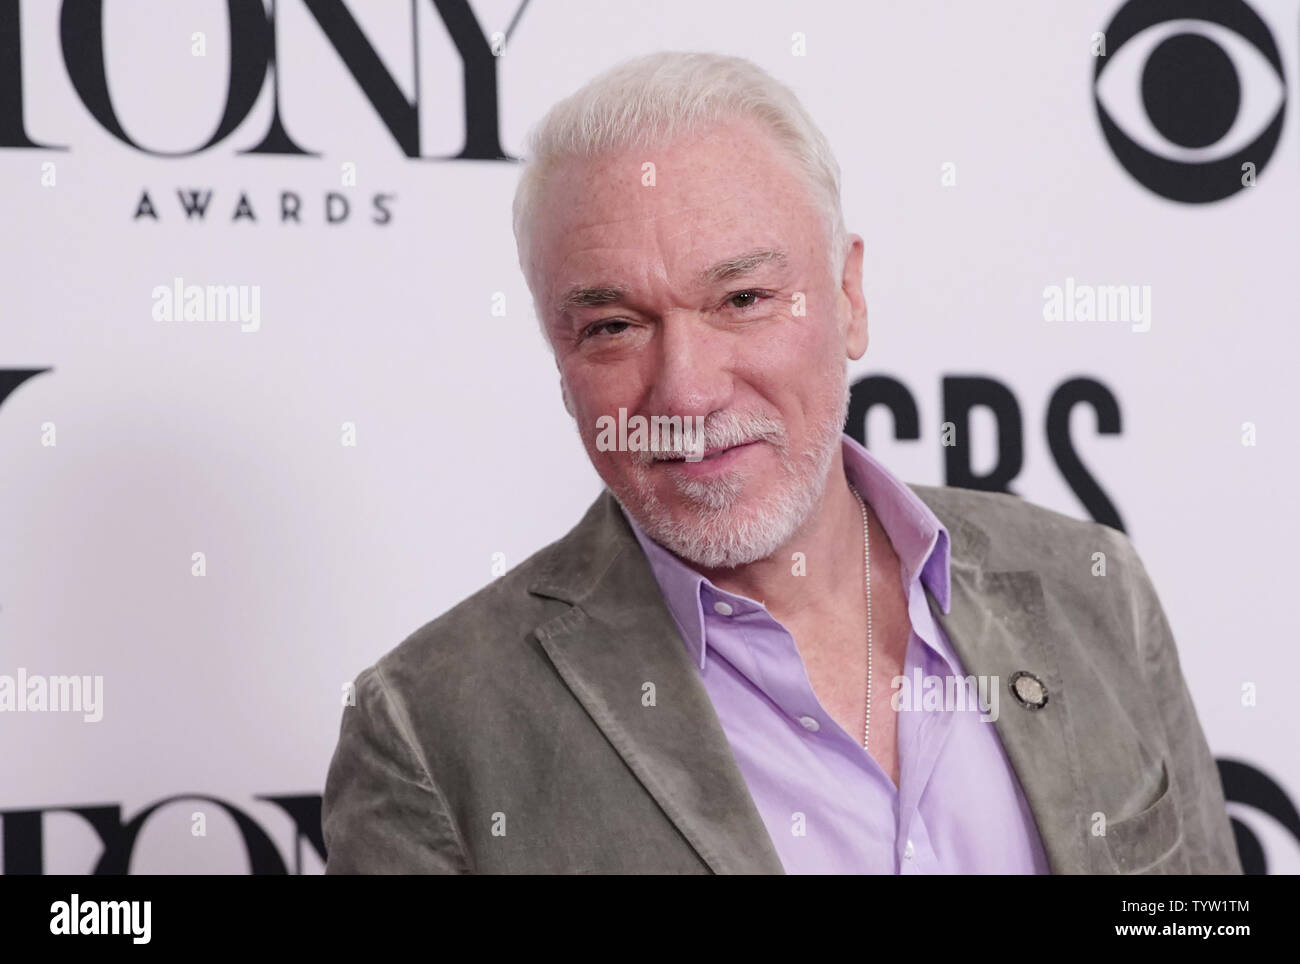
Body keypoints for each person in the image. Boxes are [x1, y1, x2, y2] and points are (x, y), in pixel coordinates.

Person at [321, 51, 1241, 874]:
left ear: (849, 297)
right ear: (559, 363)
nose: (685, 393)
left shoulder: (1093, 587)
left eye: (744, 298)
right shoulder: (430, 734)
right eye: (612, 327)